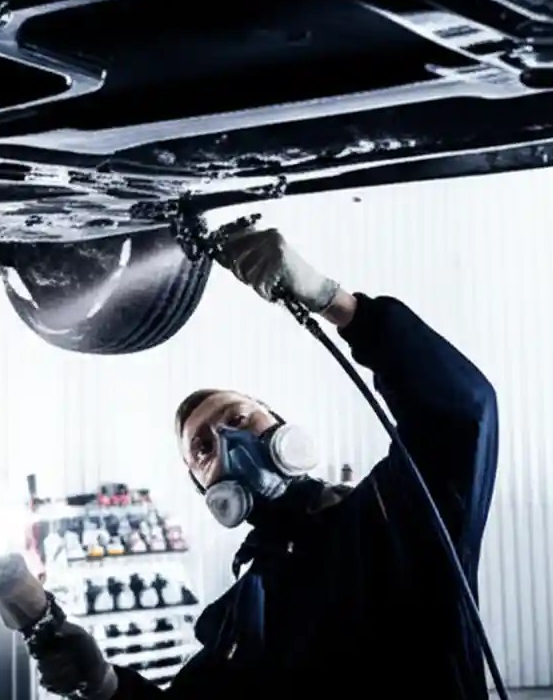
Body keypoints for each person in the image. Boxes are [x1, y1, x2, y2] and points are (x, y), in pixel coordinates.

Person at [30, 227, 499, 700]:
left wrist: (335, 302)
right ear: (206, 488)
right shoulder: (238, 615)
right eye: (203, 449)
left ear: (280, 428)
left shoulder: (394, 513)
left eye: (238, 418)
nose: (228, 441)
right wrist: (104, 683)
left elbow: (460, 411)